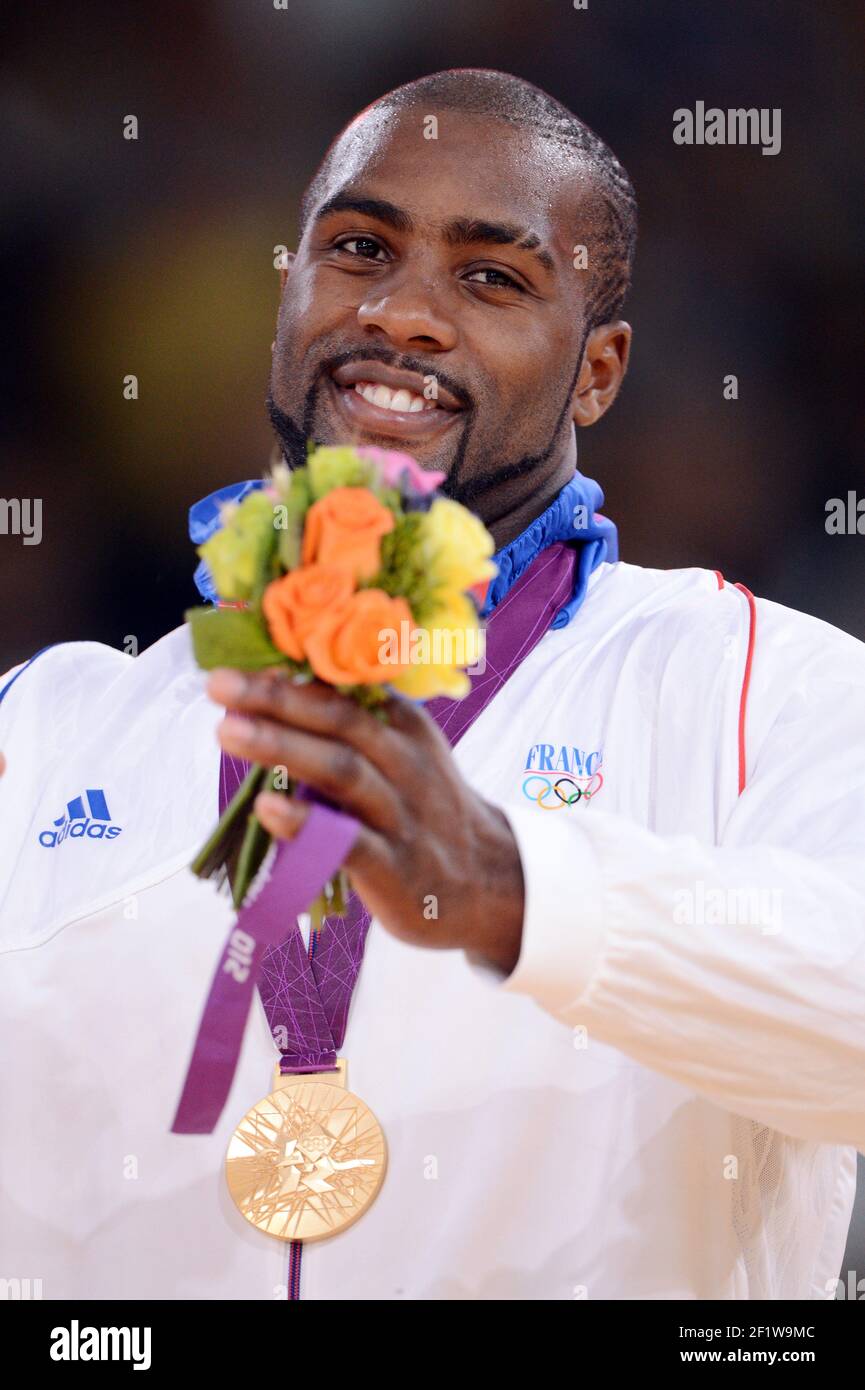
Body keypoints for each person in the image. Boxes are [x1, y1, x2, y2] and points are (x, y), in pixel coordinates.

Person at [1, 68, 864, 1302]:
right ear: (283, 299)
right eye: (357, 249)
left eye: (492, 277)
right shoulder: (48, 724)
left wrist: (514, 889)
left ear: (598, 371)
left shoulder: (761, 688)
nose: (403, 313)